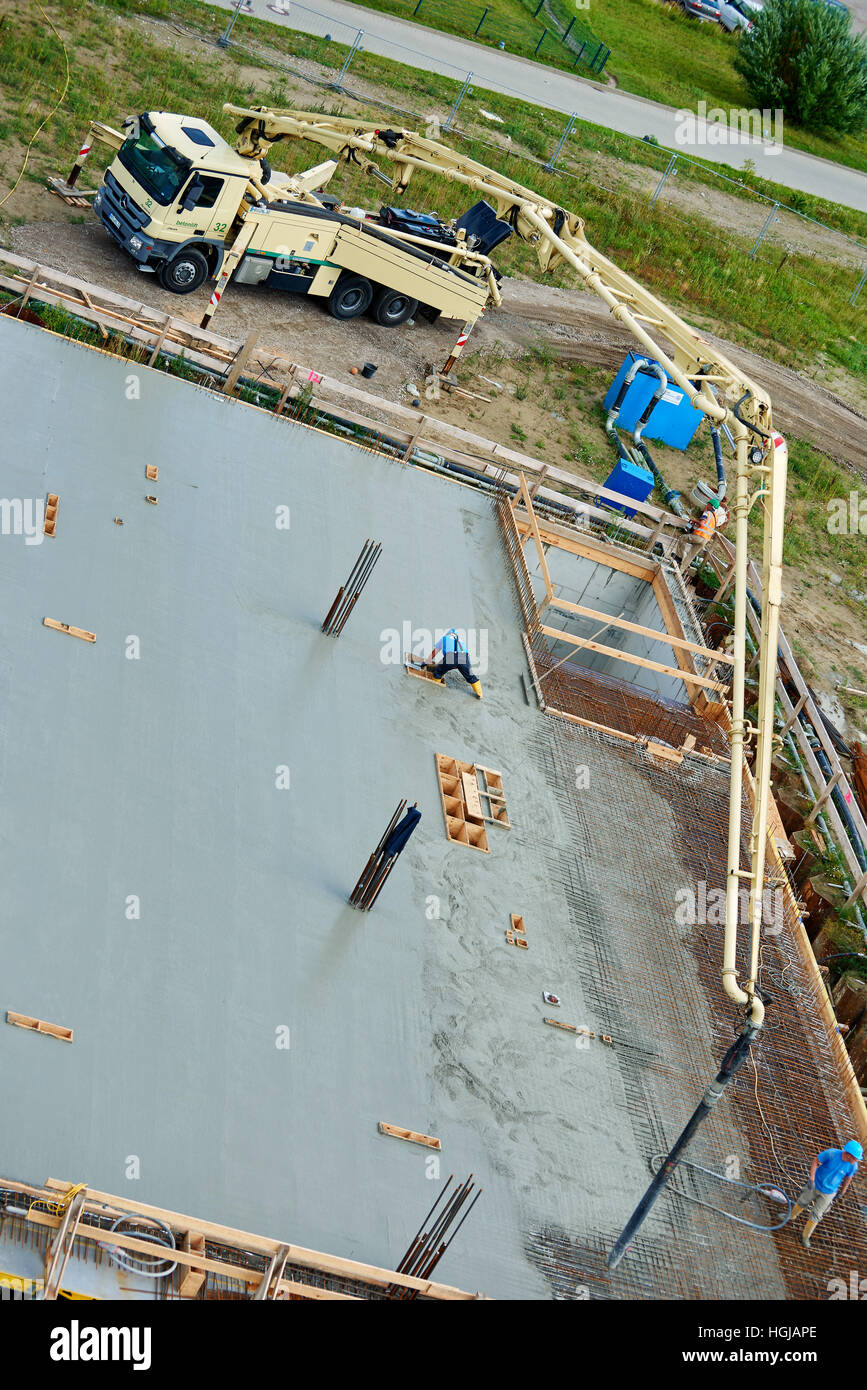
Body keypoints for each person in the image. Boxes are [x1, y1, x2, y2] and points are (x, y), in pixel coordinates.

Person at [790, 1140, 862, 1249]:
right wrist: (811, 1179)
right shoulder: (831, 1154)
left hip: (829, 1193)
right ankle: (790, 1217)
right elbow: (815, 1161)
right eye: (855, 1158)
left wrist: (842, 1192)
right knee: (802, 1202)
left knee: (816, 1215)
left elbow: (849, 1178)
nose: (856, 1160)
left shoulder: (853, 1166)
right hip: (815, 1185)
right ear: (849, 1155)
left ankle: (805, 1237)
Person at [425, 629, 482, 698]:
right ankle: (479, 694)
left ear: (448, 634)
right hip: (464, 658)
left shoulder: (444, 638)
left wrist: (427, 661)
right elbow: (467, 656)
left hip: (451, 657)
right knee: (471, 677)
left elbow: (434, 652)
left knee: (438, 672)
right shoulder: (461, 641)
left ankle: (435, 686)